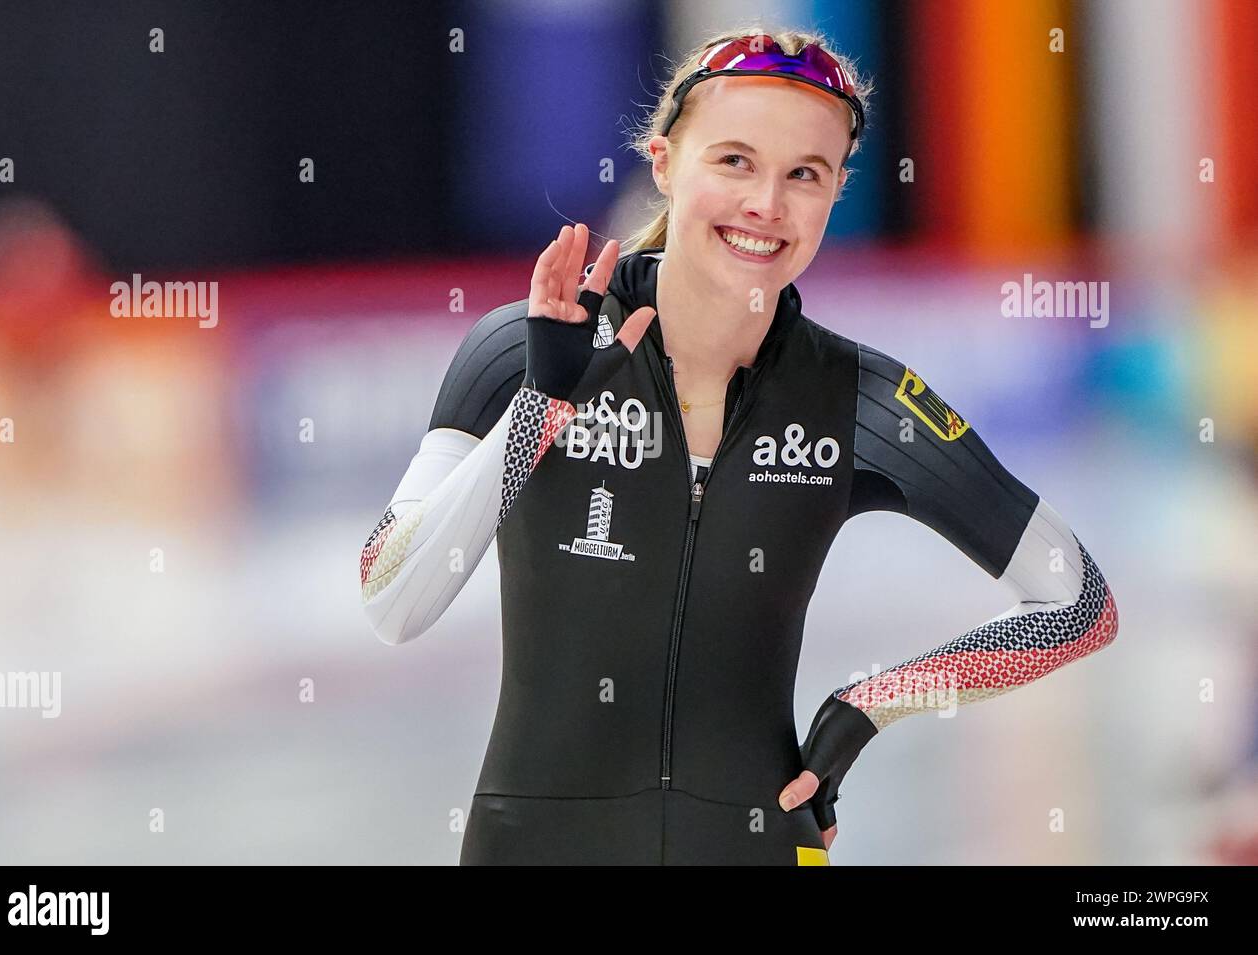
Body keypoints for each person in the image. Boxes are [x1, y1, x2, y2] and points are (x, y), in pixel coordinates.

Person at [359, 26, 1120, 865]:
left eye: (805, 174)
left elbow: (1079, 606)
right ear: (664, 163)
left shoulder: (858, 397)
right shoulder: (523, 350)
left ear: (836, 192)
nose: (766, 203)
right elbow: (392, 600)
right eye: (733, 161)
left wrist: (876, 703)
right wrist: (543, 407)